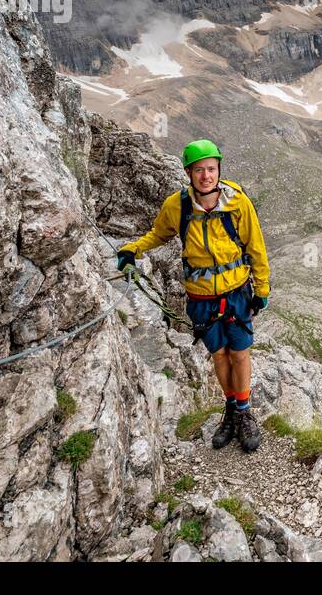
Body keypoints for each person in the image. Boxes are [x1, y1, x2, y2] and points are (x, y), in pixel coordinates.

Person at [116, 140, 270, 452]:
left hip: (237, 291)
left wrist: (261, 291)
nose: (205, 176)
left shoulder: (237, 202)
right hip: (201, 298)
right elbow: (159, 233)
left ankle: (243, 413)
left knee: (240, 354)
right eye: (199, 170)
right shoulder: (178, 206)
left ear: (218, 170)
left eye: (211, 169)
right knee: (220, 355)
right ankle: (232, 410)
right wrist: (133, 248)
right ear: (188, 172)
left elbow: (256, 247)